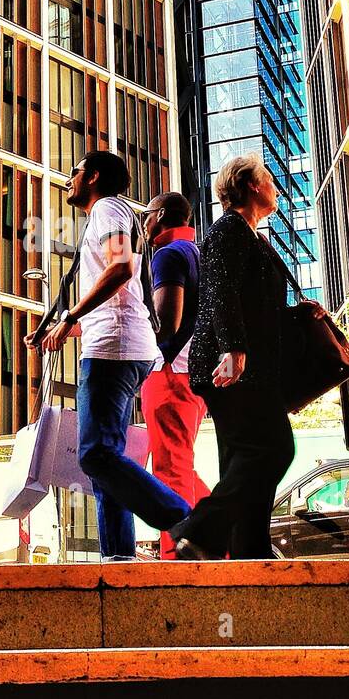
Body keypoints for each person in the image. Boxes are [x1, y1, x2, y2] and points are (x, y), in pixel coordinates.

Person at [25, 151, 190, 561]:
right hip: (118, 345)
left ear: (94, 176)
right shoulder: (109, 214)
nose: (68, 180)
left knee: (95, 453)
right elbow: (121, 293)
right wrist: (67, 326)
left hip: (113, 351)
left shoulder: (108, 210)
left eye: (74, 172)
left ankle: (182, 519)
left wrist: (70, 317)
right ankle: (119, 556)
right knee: (107, 461)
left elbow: (121, 271)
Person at [170, 154, 294, 560]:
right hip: (233, 366)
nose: (274, 185)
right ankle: (201, 531)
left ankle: (248, 549)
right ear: (252, 186)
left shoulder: (254, 236)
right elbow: (220, 291)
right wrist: (233, 349)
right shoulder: (228, 230)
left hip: (248, 366)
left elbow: (260, 302)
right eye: (268, 178)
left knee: (243, 457)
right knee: (273, 449)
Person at [141, 191, 210, 559]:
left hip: (170, 372)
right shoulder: (199, 253)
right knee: (182, 463)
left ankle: (178, 554)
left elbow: (165, 325)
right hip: (195, 377)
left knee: (170, 468)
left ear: (163, 215)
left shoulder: (168, 254)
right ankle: (218, 533)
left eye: (148, 214)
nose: (145, 221)